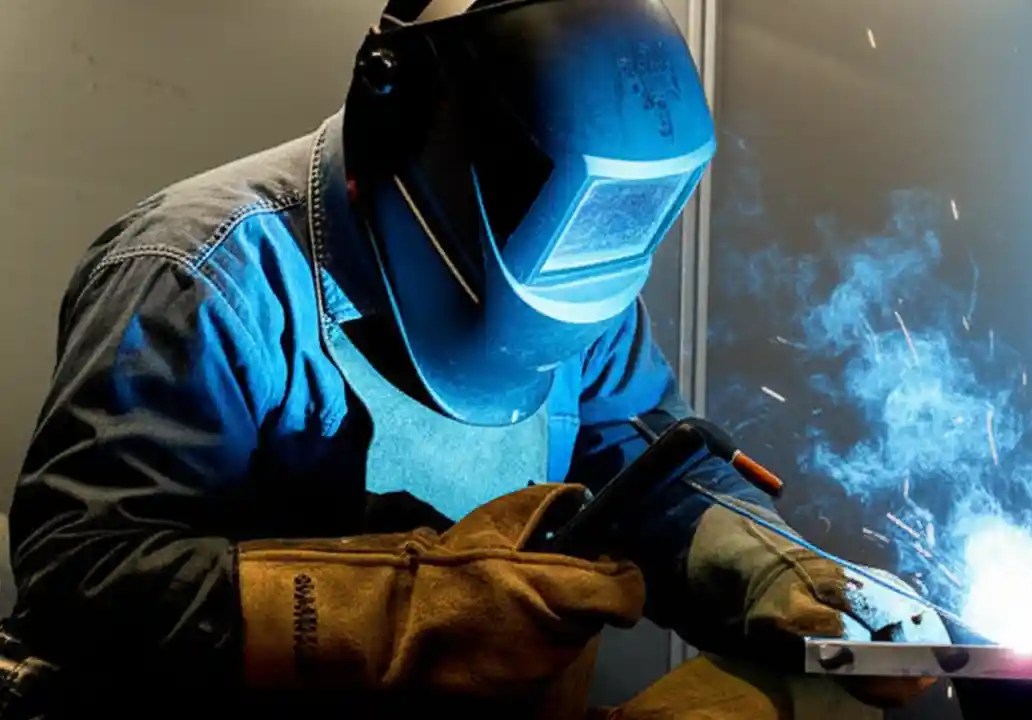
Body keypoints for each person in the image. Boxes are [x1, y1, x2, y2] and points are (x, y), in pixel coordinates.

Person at [6, 0, 949, 717]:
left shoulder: (587, 268)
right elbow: (83, 574)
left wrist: (764, 566)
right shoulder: (203, 278)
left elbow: (633, 454)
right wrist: (402, 609)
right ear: (400, 117)